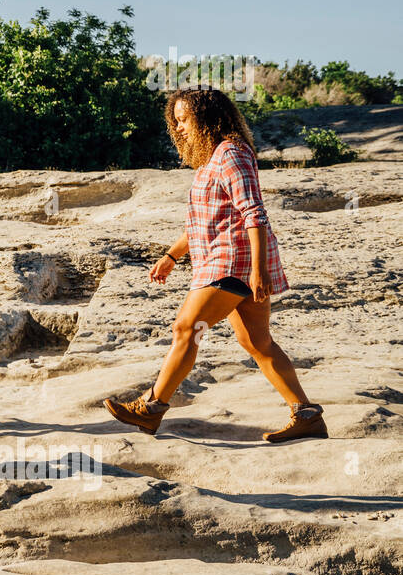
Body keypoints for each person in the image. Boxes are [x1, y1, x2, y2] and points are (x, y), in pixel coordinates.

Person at [103, 87, 326, 442]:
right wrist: (172, 255)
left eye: (184, 120)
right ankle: (307, 415)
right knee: (258, 343)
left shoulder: (231, 154)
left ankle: (151, 408)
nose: (179, 129)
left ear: (207, 119)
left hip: (234, 263)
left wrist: (259, 269)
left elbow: (254, 214)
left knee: (186, 329)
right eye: (175, 122)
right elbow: (203, 222)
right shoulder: (212, 158)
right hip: (221, 260)